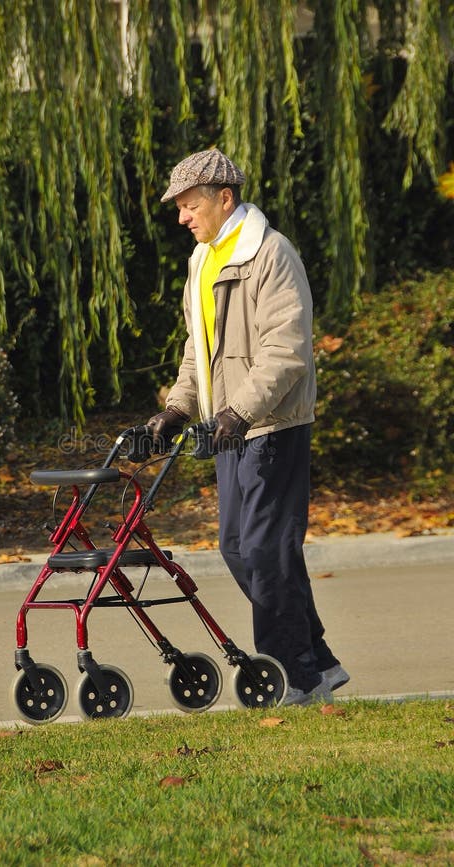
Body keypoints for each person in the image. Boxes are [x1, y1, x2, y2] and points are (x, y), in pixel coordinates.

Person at [147, 147, 349, 705]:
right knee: (237, 547)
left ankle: (297, 677)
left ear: (224, 198)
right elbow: (199, 350)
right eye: (180, 207)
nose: (183, 217)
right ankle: (320, 662)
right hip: (229, 428)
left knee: (264, 549)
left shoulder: (269, 254)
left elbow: (287, 350)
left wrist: (241, 411)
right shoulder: (204, 260)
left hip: (271, 424)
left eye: (190, 205)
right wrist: (176, 408)